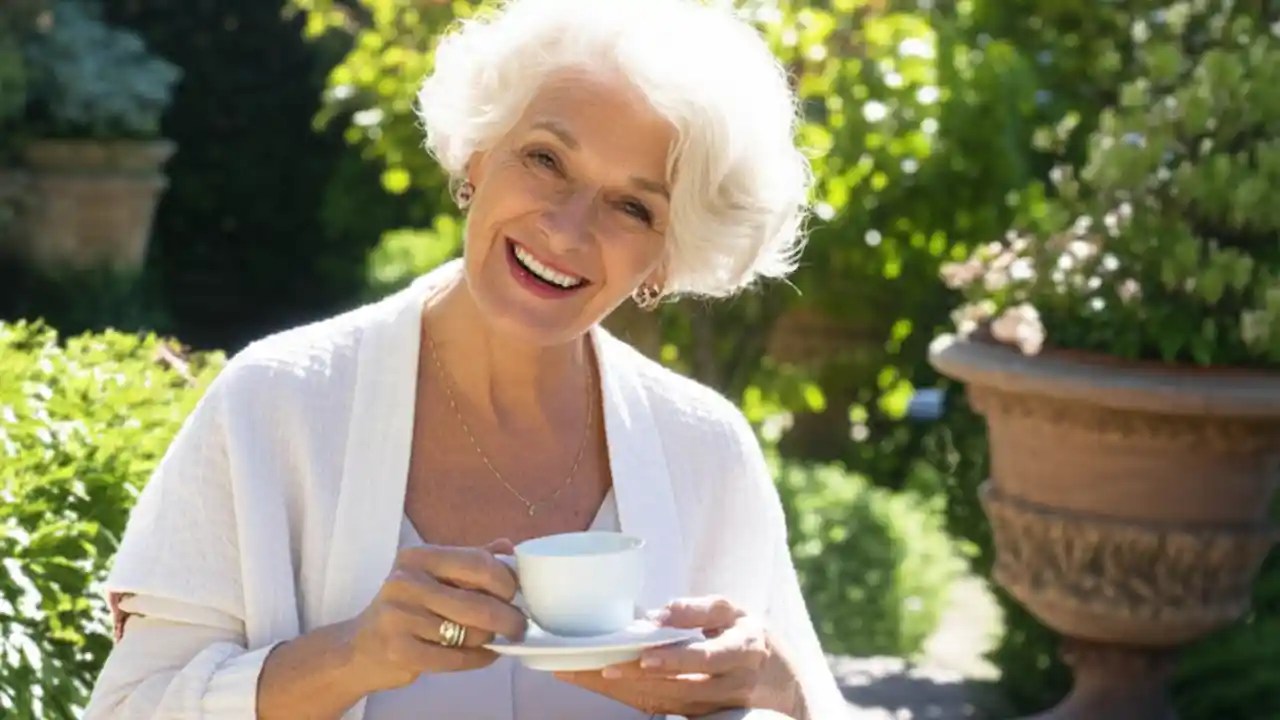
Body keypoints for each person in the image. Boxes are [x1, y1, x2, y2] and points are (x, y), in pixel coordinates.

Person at [85, 0, 850, 718]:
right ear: (478, 155)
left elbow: (799, 702)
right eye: (546, 159)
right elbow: (129, 707)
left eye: (632, 207)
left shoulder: (706, 452)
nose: (566, 229)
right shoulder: (274, 403)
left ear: (665, 259)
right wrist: (351, 656)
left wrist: (780, 687)